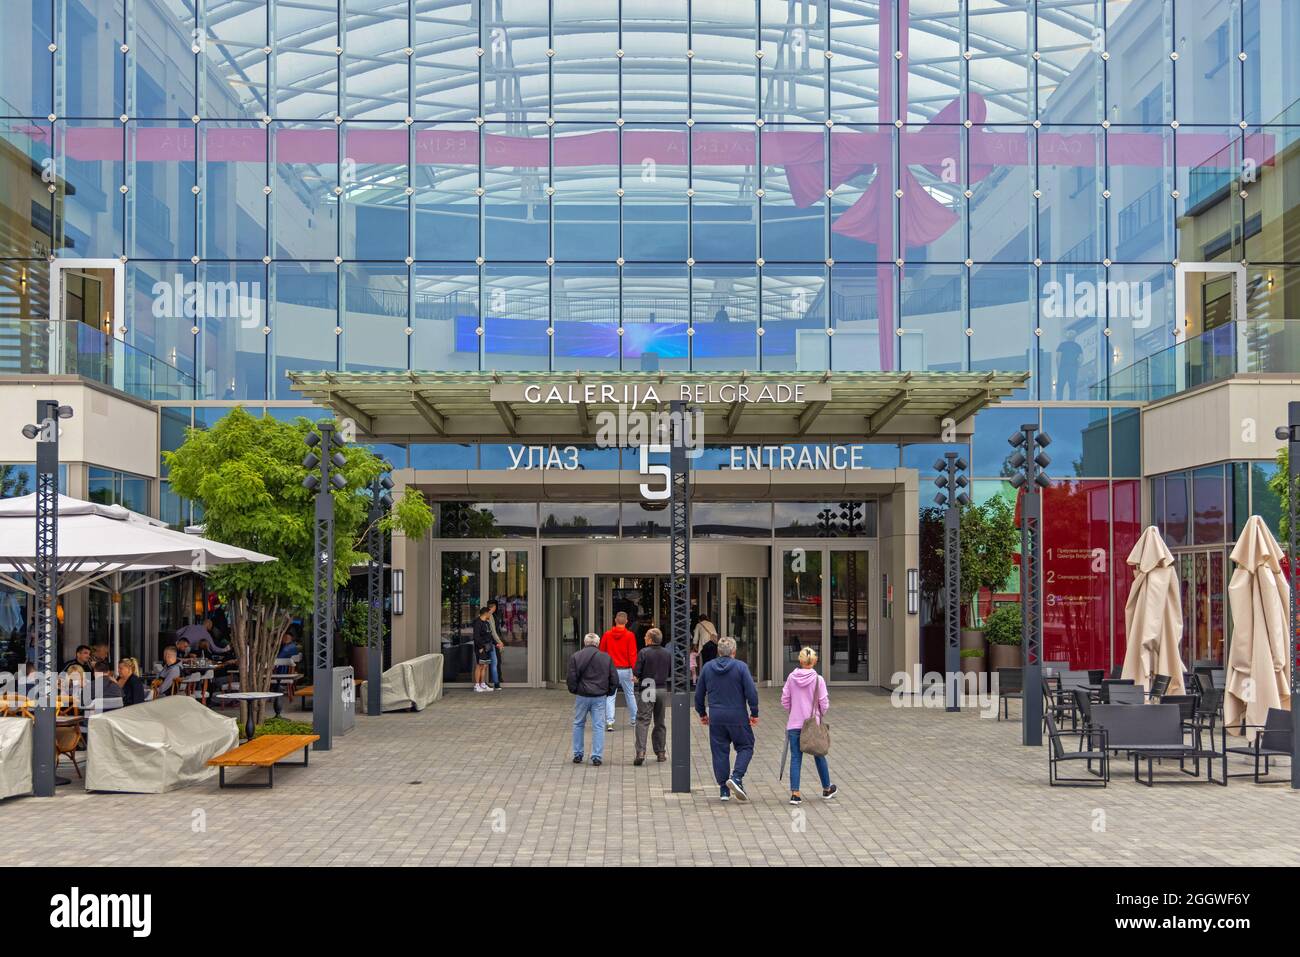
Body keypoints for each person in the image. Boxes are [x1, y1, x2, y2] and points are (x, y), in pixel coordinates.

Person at [695, 636, 759, 803]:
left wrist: (702, 713)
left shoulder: (708, 668)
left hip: (716, 716)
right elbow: (751, 691)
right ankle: (736, 777)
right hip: (737, 715)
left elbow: (699, 694)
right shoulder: (741, 667)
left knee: (719, 752)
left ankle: (724, 789)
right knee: (746, 746)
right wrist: (754, 712)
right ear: (734, 652)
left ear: (718, 651)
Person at [781, 646, 838, 805]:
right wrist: (819, 714)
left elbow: (785, 700)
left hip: (794, 723)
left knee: (795, 758)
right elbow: (824, 703)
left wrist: (794, 711)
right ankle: (827, 788)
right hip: (813, 724)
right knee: (819, 754)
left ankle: (795, 793)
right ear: (814, 661)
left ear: (800, 660)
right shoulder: (818, 680)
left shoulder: (791, 678)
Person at [567, 632, 620, 766]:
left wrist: (575, 690)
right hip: (599, 696)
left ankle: (578, 754)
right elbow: (614, 678)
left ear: (585, 643)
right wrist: (608, 692)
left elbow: (571, 678)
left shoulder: (576, 656)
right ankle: (596, 756)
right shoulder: (606, 657)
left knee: (578, 724)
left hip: (582, 695)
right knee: (598, 726)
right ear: (597, 643)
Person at [632, 626, 671, 766]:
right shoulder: (667, 653)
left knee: (643, 721)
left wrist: (637, 678)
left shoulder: (644, 652)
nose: (644, 638)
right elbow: (671, 672)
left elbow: (636, 672)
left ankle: (641, 752)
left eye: (645, 637)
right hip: (661, 689)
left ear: (650, 639)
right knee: (660, 721)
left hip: (648, 687)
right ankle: (660, 753)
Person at [599, 610, 638, 731]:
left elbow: (602, 653)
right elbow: (632, 655)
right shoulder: (630, 635)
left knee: (610, 696)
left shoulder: (607, 635)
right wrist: (636, 672)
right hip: (626, 669)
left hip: (611, 670)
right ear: (626, 621)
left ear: (615, 620)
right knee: (630, 695)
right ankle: (634, 719)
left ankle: (610, 722)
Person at [472, 606, 495, 692]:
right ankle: (477, 685)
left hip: (488, 647)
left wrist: (496, 644)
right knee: (479, 666)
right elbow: (476, 637)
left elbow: (490, 635)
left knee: (485, 666)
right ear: (485, 613)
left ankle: (483, 684)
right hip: (481, 648)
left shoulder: (487, 623)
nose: (490, 615)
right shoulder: (477, 623)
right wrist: (481, 647)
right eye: (489, 613)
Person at [1055, 329, 1082, 401]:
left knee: (1060, 386)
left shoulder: (1062, 345)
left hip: (1063, 368)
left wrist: (1059, 368)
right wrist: (1078, 366)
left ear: (1067, 336)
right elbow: (1081, 359)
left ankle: (1058, 402)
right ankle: (1072, 403)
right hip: (1073, 368)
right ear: (1075, 337)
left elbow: (1058, 357)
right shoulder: (1077, 346)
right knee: (1072, 386)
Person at [485, 599, 505, 691]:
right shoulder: (490, 616)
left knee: (486, 664)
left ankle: (485, 683)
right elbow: (493, 631)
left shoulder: (485, 616)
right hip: (490, 643)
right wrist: (499, 642)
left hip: (488, 642)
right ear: (494, 607)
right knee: (494, 663)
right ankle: (496, 683)